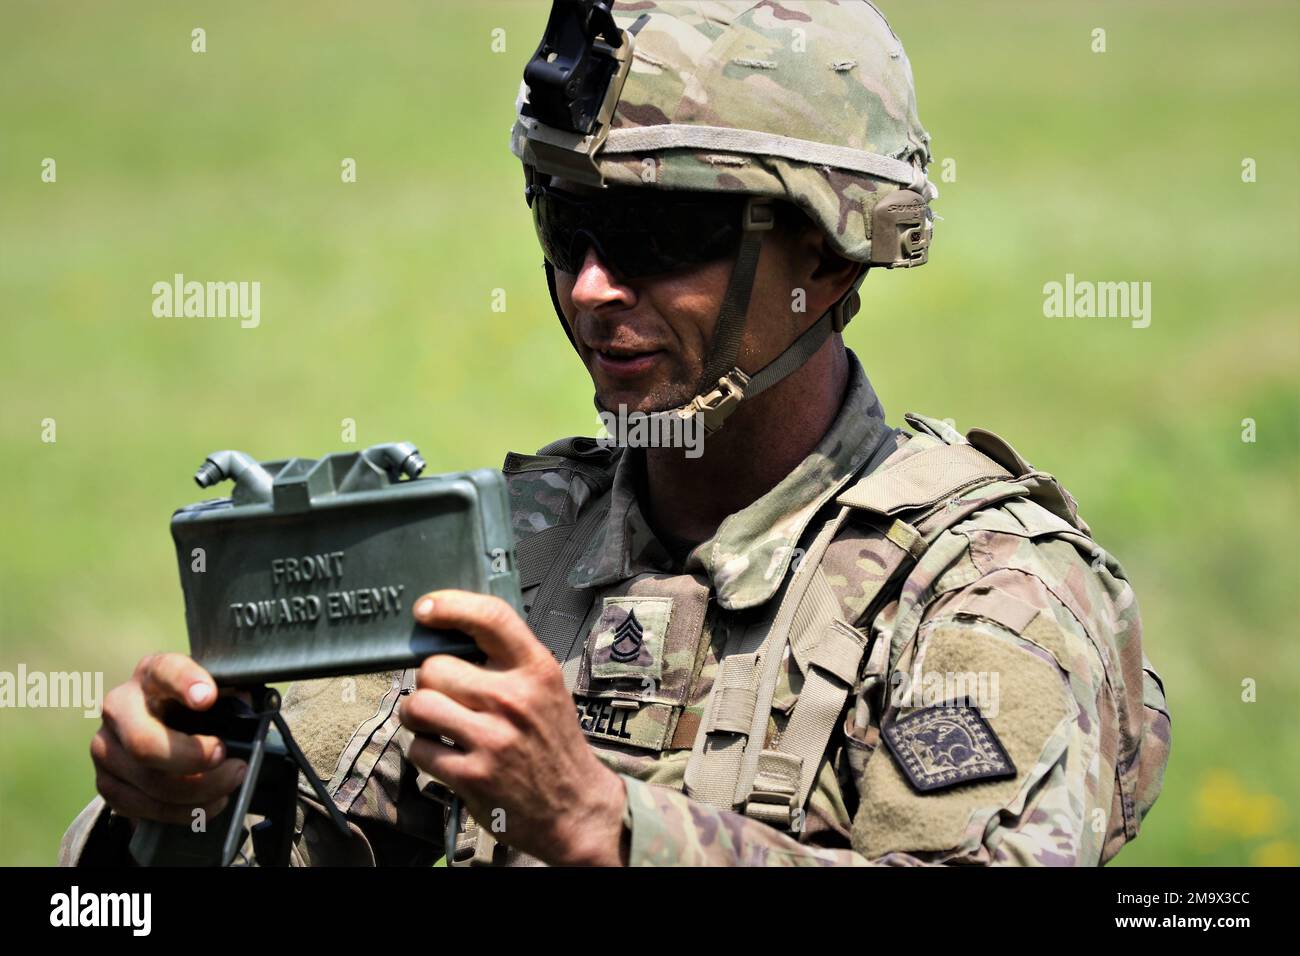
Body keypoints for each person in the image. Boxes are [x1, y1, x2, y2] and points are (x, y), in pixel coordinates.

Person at [60, 0, 1169, 867]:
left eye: (657, 230)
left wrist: (605, 824)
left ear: (829, 254)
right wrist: (176, 809)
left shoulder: (987, 591)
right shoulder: (503, 555)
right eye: (565, 221)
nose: (592, 286)